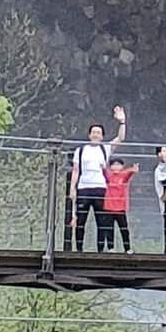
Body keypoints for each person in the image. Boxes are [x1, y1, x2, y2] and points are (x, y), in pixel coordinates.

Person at [68, 105, 125, 251]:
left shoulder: (105, 149)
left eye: (98, 133)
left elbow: (120, 138)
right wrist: (72, 189)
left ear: (102, 136)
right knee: (81, 221)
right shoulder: (80, 150)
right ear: (89, 135)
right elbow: (75, 170)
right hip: (84, 187)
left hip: (100, 188)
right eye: (93, 132)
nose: (95, 135)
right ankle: (79, 249)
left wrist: (122, 122)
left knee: (102, 221)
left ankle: (100, 250)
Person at [102, 157, 138, 251]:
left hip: (120, 208)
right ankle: (111, 248)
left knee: (124, 229)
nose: (116, 167)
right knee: (109, 229)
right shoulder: (109, 175)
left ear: (122, 166)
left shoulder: (123, 176)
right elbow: (104, 170)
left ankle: (127, 248)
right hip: (109, 207)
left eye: (118, 164)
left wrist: (133, 170)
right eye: (114, 165)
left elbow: (129, 173)